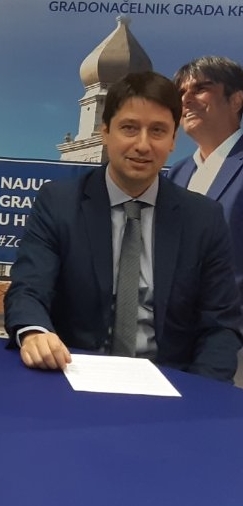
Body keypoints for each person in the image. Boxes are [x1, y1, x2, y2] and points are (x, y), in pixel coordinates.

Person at [4, 71, 243, 382]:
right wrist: (35, 333)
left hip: (171, 383)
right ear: (105, 132)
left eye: (158, 131)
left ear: (173, 140)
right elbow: (29, 290)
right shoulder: (58, 203)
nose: (143, 145)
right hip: (73, 375)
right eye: (129, 128)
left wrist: (197, 393)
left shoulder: (203, 218)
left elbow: (220, 326)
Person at [166, 57, 243, 382]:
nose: (185, 99)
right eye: (181, 92)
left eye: (200, 89)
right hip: (175, 344)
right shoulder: (176, 174)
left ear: (236, 99)